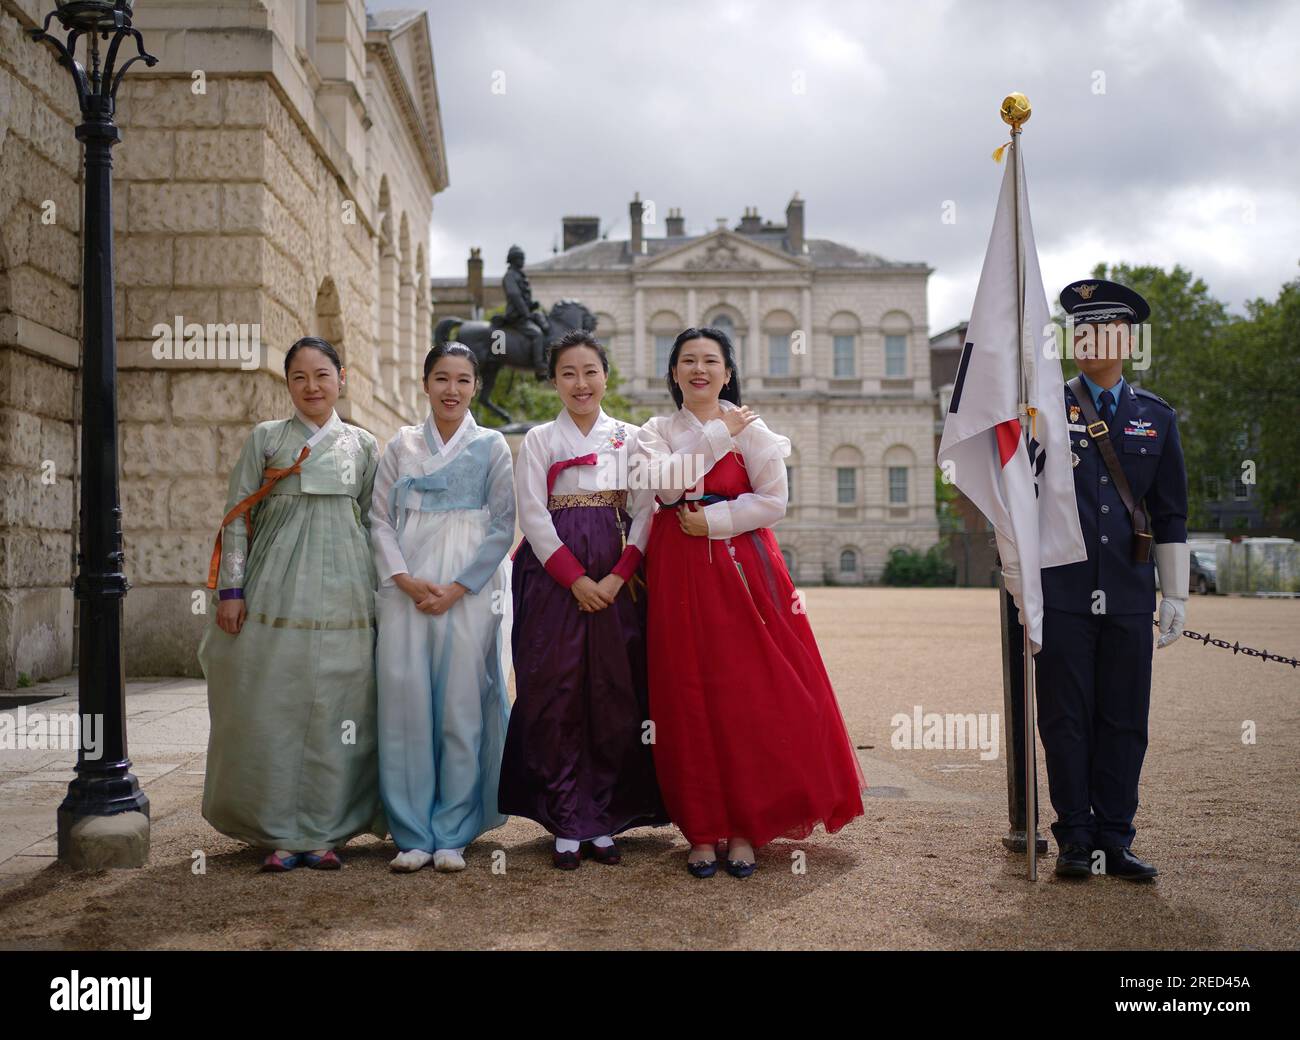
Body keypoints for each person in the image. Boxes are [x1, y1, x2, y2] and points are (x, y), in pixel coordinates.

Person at [634, 326, 867, 879]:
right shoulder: (656, 428)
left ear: (727, 371)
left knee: (746, 689)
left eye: (710, 361)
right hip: (678, 571)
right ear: (672, 373)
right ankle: (701, 829)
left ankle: (744, 826)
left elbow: (775, 500)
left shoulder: (754, 429)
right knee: (685, 693)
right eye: (687, 361)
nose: (699, 369)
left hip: (742, 570)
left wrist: (713, 519)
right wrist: (716, 437)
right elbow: (664, 488)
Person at [1009, 279, 1188, 881]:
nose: (1087, 341)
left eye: (1101, 331)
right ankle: (1075, 838)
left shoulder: (1155, 417)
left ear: (1127, 340)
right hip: (1062, 592)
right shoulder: (1043, 413)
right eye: (1078, 331)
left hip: (1132, 592)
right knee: (1064, 716)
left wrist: (1177, 595)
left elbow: (1170, 513)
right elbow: (1017, 497)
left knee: (1124, 718)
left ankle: (1116, 836)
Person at [199, 336, 385, 872]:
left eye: (322, 375)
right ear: (288, 384)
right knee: (274, 701)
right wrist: (230, 592)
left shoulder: (363, 446)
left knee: (339, 706)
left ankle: (327, 829)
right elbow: (237, 518)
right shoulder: (266, 439)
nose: (312, 386)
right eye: (300, 377)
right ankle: (279, 830)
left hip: (348, 591)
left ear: (341, 379)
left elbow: (375, 524)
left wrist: (384, 596)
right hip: (273, 590)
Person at [498, 330, 668, 870]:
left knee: (613, 693)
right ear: (554, 381)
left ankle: (605, 816)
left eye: (590, 371)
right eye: (568, 373)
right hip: (553, 581)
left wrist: (618, 577)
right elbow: (532, 514)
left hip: (618, 582)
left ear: (606, 376)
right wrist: (574, 579)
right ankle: (565, 817)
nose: (580, 383)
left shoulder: (633, 438)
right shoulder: (540, 439)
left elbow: (645, 511)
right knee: (554, 689)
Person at [370, 342, 515, 873]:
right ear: (425, 383)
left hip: (469, 586)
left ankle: (454, 829)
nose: (451, 390)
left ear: (475, 386)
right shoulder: (402, 444)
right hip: (407, 579)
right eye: (441, 378)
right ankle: (411, 832)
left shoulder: (493, 445)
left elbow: (503, 524)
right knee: (405, 699)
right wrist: (404, 580)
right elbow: (380, 518)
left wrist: (458, 587)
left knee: (461, 700)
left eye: (462, 380)